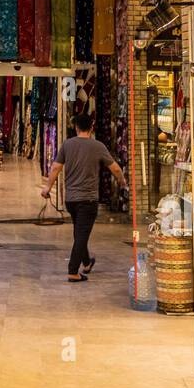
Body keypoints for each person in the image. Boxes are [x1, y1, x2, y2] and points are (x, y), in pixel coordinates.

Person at [40, 112, 126, 283]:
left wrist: (47, 187)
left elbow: (56, 167)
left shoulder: (67, 145)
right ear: (91, 128)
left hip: (71, 200)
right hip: (88, 200)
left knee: (79, 232)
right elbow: (115, 169)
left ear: (76, 127)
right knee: (81, 234)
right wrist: (122, 182)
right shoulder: (98, 146)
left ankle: (86, 262)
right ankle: (73, 271)